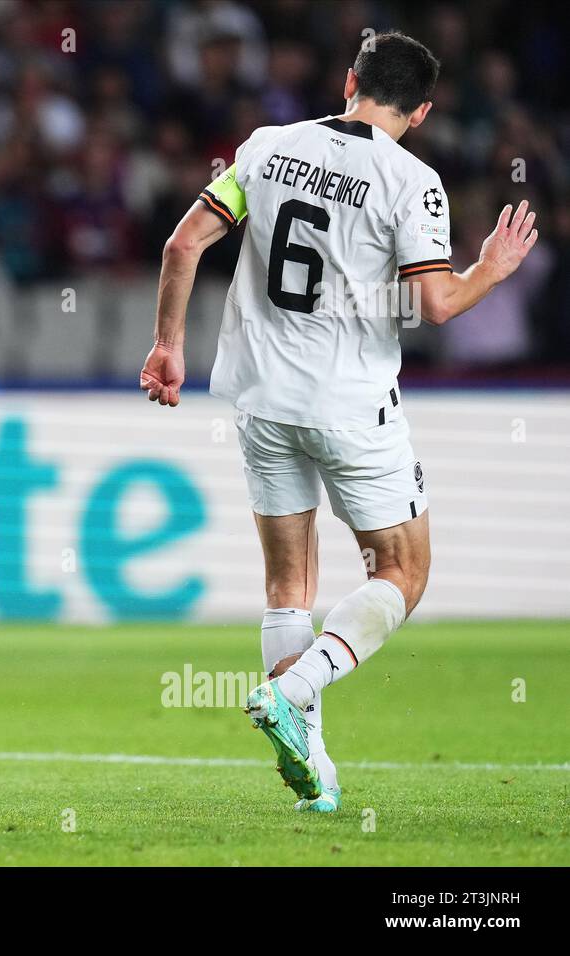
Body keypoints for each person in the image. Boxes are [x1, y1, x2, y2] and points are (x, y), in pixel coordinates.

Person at [141, 33, 539, 812]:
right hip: (350, 403)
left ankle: (314, 770)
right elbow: (437, 305)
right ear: (421, 111)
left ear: (350, 79)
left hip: (258, 397)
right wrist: (492, 266)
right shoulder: (412, 180)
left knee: (289, 581)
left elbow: (183, 242)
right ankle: (297, 694)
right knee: (402, 572)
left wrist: (166, 346)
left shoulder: (265, 145)